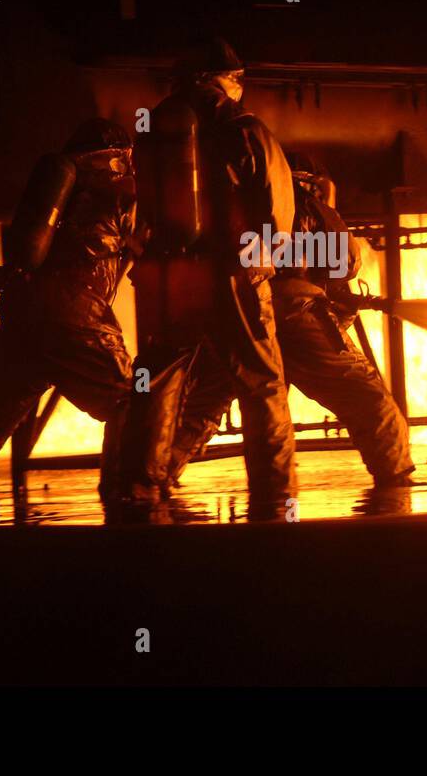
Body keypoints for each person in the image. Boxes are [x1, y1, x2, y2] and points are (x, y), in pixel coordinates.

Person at [104, 37, 296, 507]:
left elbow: (135, 207)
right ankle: (274, 497)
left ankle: (138, 486)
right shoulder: (244, 128)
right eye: (237, 80)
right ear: (222, 80)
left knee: (159, 377)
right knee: (262, 381)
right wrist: (266, 258)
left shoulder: (156, 129)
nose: (240, 88)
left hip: (170, 274)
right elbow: (276, 203)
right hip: (232, 270)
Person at [0, 118, 136, 513]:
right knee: (131, 406)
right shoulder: (122, 195)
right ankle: (127, 499)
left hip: (25, 314)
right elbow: (164, 239)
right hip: (77, 321)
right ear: (118, 158)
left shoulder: (56, 194)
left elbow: (31, 252)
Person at [168, 153, 415, 489]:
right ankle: (395, 477)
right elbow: (344, 263)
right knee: (366, 397)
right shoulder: (303, 202)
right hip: (296, 314)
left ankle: (153, 476)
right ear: (308, 181)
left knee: (205, 404)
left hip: (237, 317)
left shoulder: (230, 202)